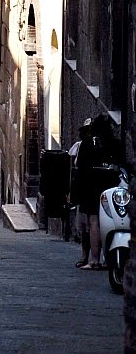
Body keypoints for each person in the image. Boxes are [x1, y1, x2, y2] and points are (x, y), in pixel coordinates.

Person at [74, 112, 121, 271]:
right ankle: (109, 259)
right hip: (111, 187)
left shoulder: (86, 143)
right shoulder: (114, 143)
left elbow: (80, 169)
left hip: (91, 187)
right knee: (111, 221)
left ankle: (94, 260)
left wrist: (76, 193)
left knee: (94, 222)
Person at [69, 118, 92, 267]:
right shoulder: (79, 147)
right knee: (84, 227)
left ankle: (90, 257)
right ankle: (85, 256)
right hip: (82, 192)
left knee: (90, 226)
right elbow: (72, 170)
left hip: (89, 191)